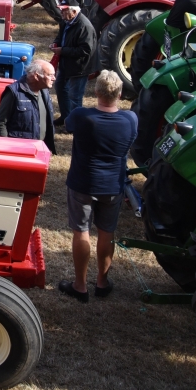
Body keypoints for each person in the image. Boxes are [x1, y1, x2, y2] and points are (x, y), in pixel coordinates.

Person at [59, 71, 137, 302]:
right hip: (113, 185)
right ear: (120, 94)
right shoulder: (131, 119)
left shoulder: (82, 115)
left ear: (95, 91)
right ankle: (102, 282)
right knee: (107, 232)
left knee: (81, 231)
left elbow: (68, 126)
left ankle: (80, 285)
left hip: (83, 183)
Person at [0, 60, 57, 155]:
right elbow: (0, 123)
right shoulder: (14, 93)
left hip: (39, 150)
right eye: (50, 75)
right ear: (36, 76)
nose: (54, 78)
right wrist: (7, 150)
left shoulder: (44, 91)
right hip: (20, 152)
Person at [53, 0, 96, 126]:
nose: (61, 13)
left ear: (73, 11)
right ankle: (66, 117)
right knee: (60, 87)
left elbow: (85, 50)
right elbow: (61, 36)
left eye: (64, 10)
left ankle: (75, 125)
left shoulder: (85, 26)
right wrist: (56, 43)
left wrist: (63, 51)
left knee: (75, 97)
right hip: (66, 63)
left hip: (80, 67)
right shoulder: (66, 21)